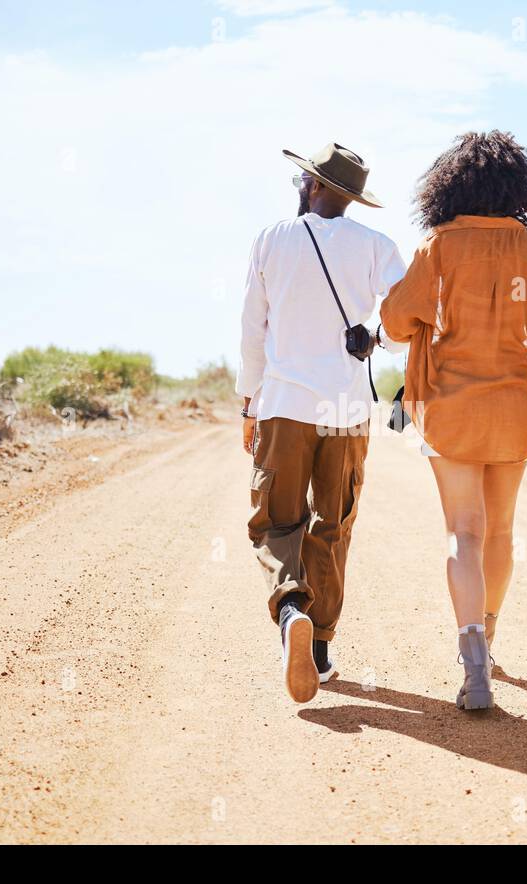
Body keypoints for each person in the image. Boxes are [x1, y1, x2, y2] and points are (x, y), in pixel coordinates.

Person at [381, 130, 527, 711]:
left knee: (462, 533)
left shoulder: (435, 248)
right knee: (500, 532)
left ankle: (473, 666)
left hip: (451, 411)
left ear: (448, 187)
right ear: (516, 187)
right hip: (515, 411)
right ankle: (490, 640)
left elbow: (396, 324)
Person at [237, 142, 405, 704]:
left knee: (277, 522)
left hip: (284, 404)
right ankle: (323, 649)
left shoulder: (270, 240)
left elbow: (251, 332)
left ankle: (290, 612)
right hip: (346, 412)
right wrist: (375, 335)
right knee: (333, 523)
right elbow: (410, 316)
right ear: (352, 198)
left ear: (310, 185)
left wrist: (248, 404)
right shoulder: (376, 245)